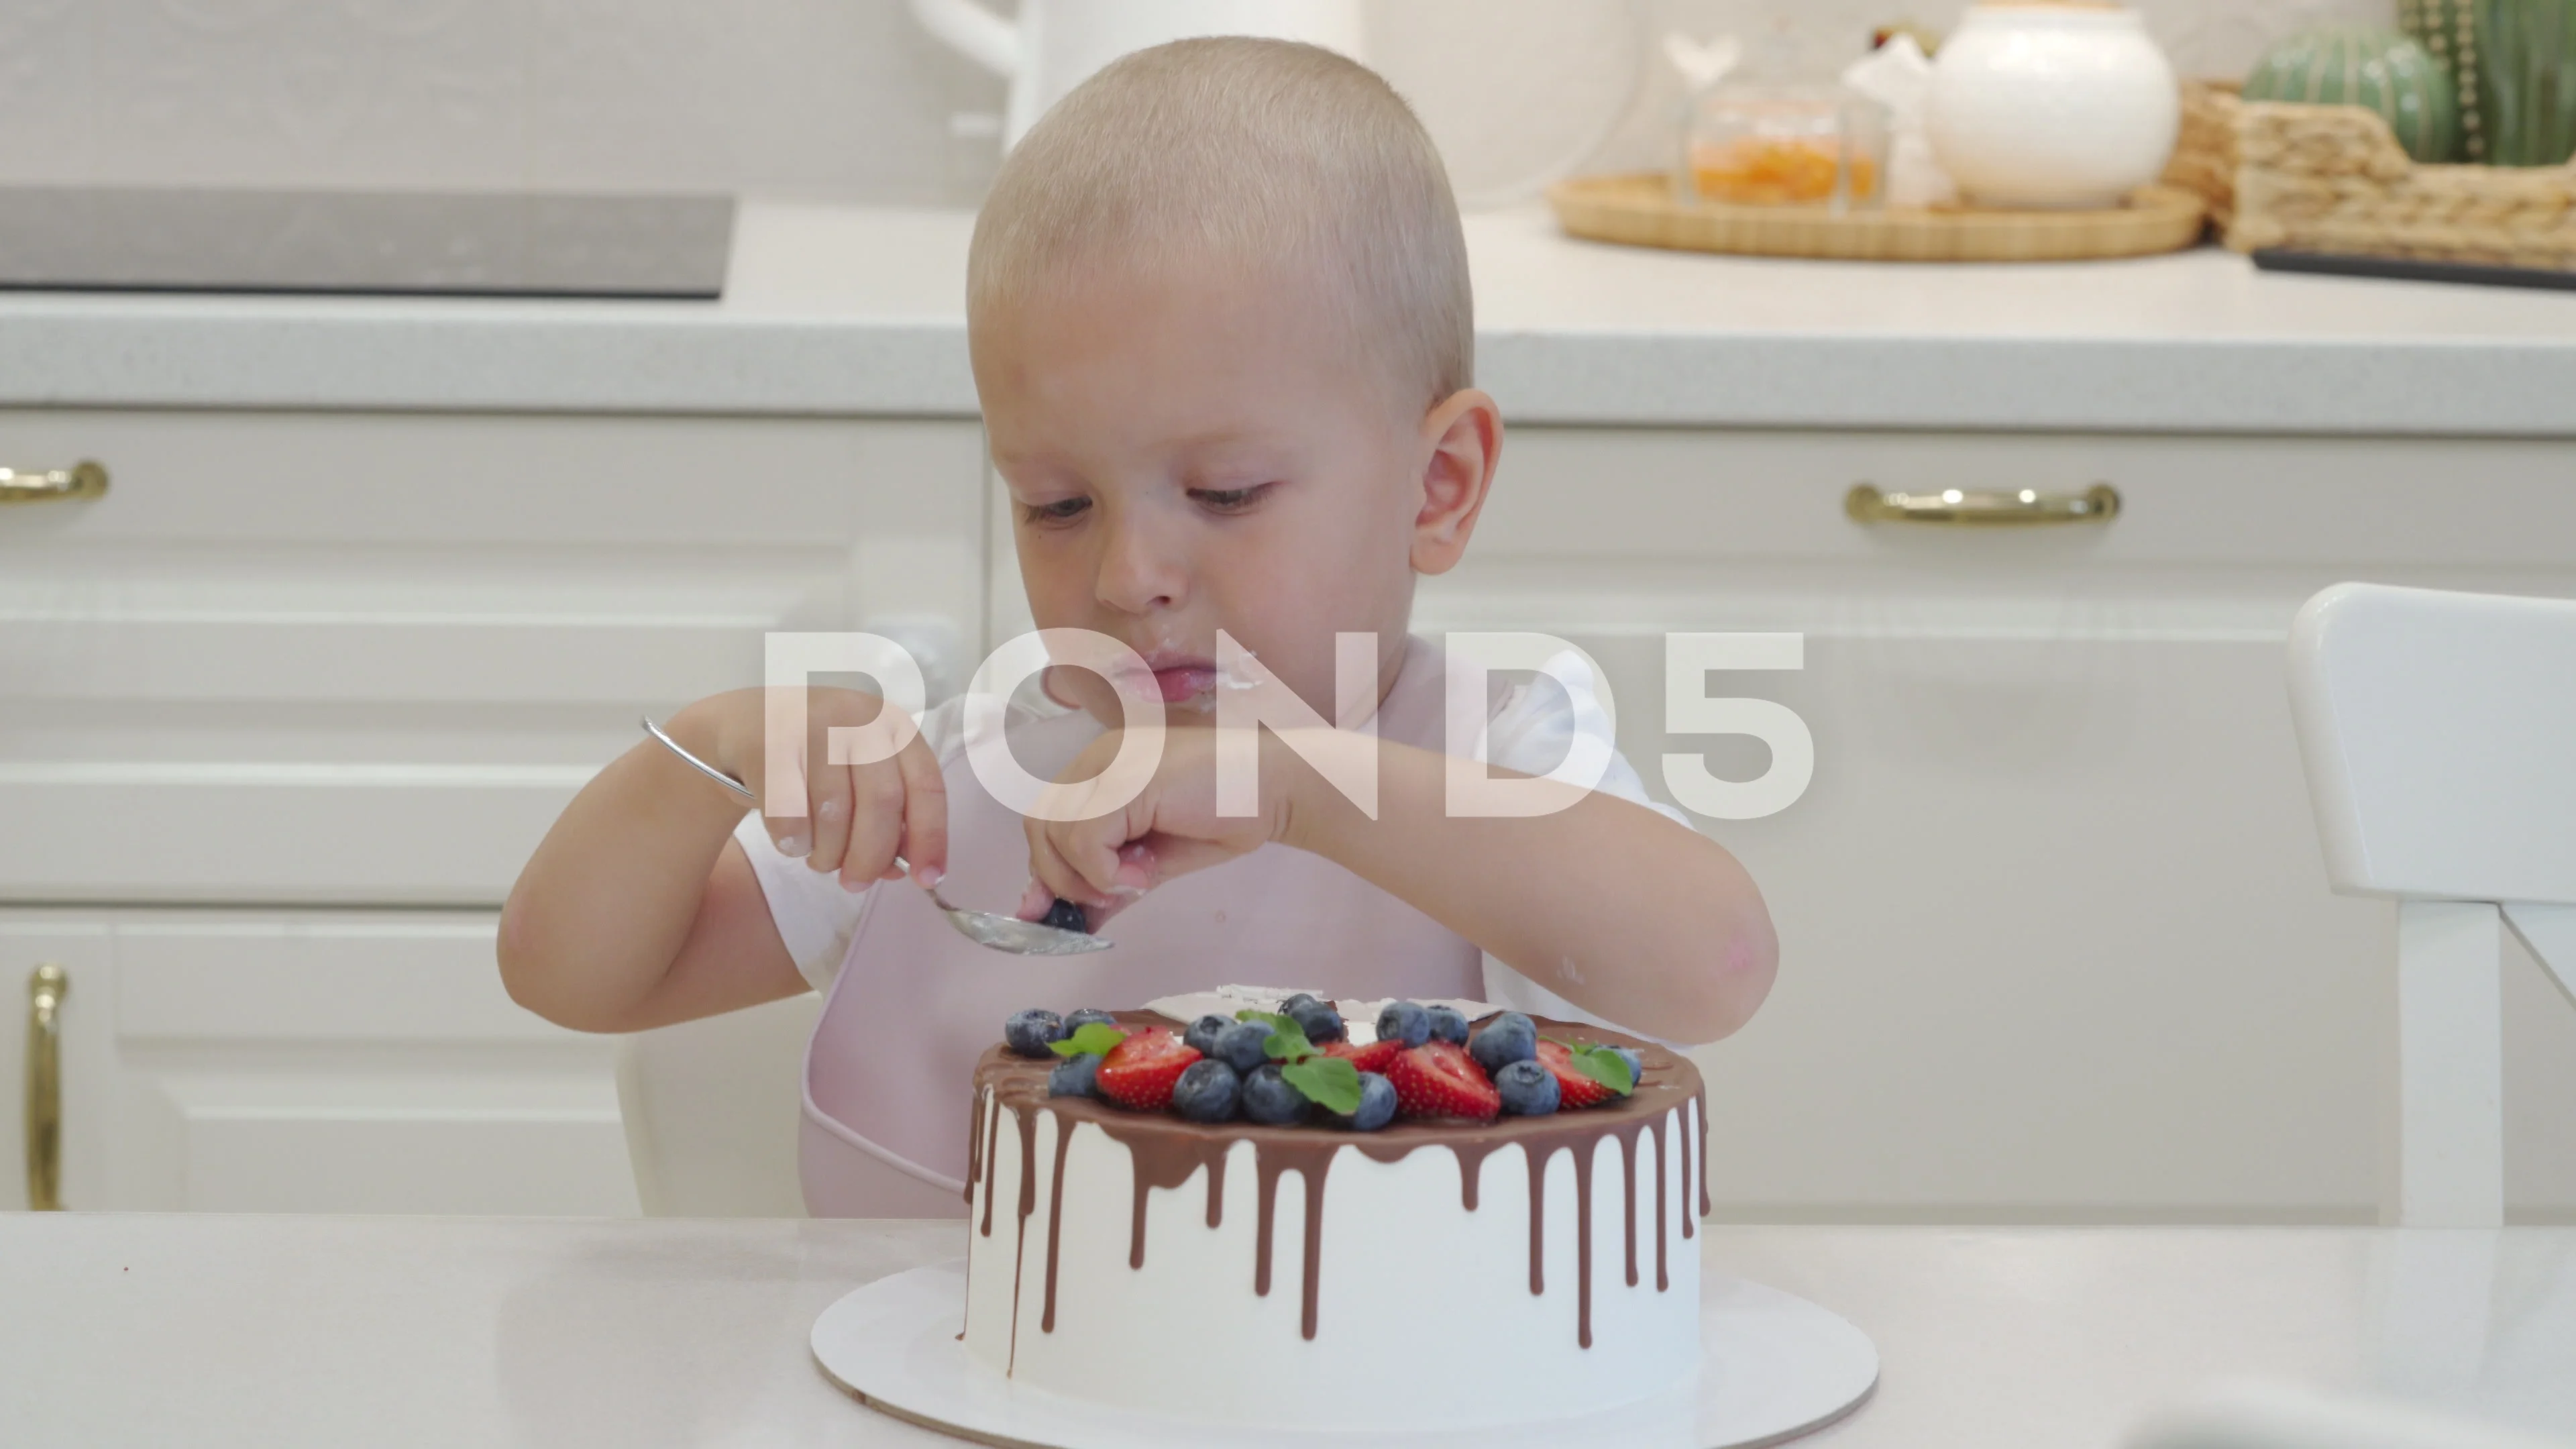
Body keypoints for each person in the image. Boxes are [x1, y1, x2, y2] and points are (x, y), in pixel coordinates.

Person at [498, 38, 1776, 1214]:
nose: (1129, 573)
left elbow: (1714, 962)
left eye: (1225, 494)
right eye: (1058, 505)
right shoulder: (974, 781)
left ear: (1436, 487)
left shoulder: (1502, 751)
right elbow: (576, 974)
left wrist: (1299, 791)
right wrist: (715, 748)